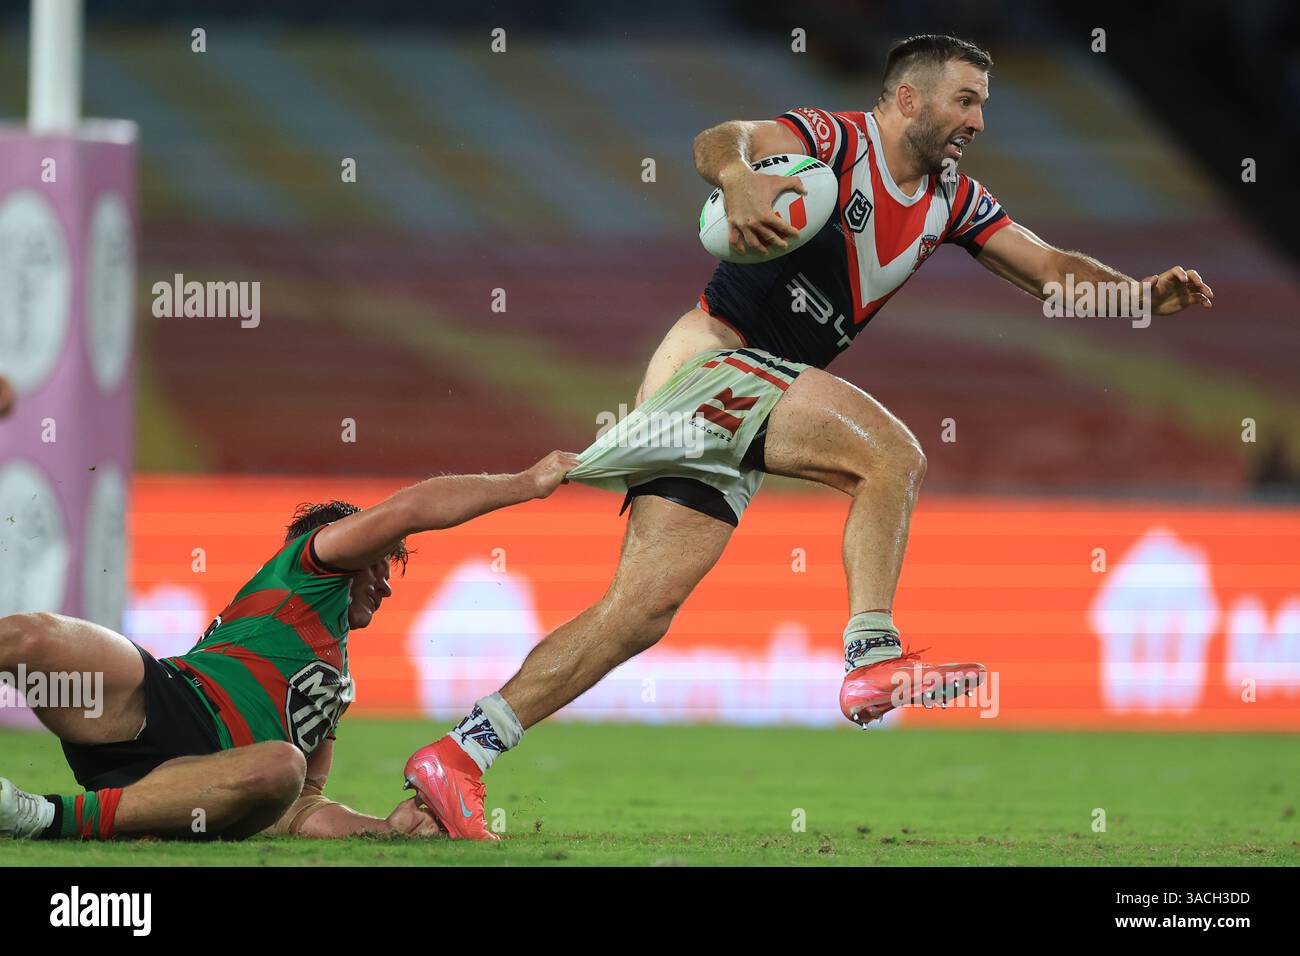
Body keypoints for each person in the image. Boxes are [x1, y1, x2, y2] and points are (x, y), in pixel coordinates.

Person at [403, 33, 1215, 841]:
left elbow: (1048, 272)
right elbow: (720, 138)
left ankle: (459, 755)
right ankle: (872, 657)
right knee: (890, 455)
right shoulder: (833, 143)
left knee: (639, 613)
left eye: (983, 106)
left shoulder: (952, 199)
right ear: (908, 99)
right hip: (714, 362)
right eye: (965, 101)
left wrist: (1139, 298)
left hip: (755, 392)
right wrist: (738, 180)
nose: (978, 120)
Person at [0, 451, 578, 841]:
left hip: (195, 780)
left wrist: (386, 828)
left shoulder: (337, 685)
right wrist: (525, 485)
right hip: (157, 699)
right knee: (29, 636)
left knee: (283, 768)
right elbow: (409, 509)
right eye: (376, 565)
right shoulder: (303, 568)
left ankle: (39, 817)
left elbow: (299, 809)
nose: (385, 583)